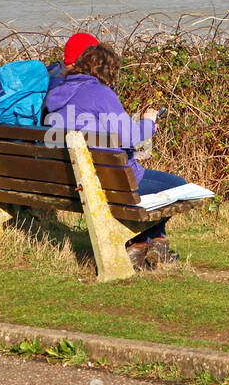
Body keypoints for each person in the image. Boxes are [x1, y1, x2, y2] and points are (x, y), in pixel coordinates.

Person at [43, 40, 185, 269]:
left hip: (71, 181)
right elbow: (129, 137)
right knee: (179, 186)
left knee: (151, 183)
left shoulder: (55, 92)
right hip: (109, 181)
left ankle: (151, 245)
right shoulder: (98, 92)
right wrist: (148, 124)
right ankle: (146, 244)